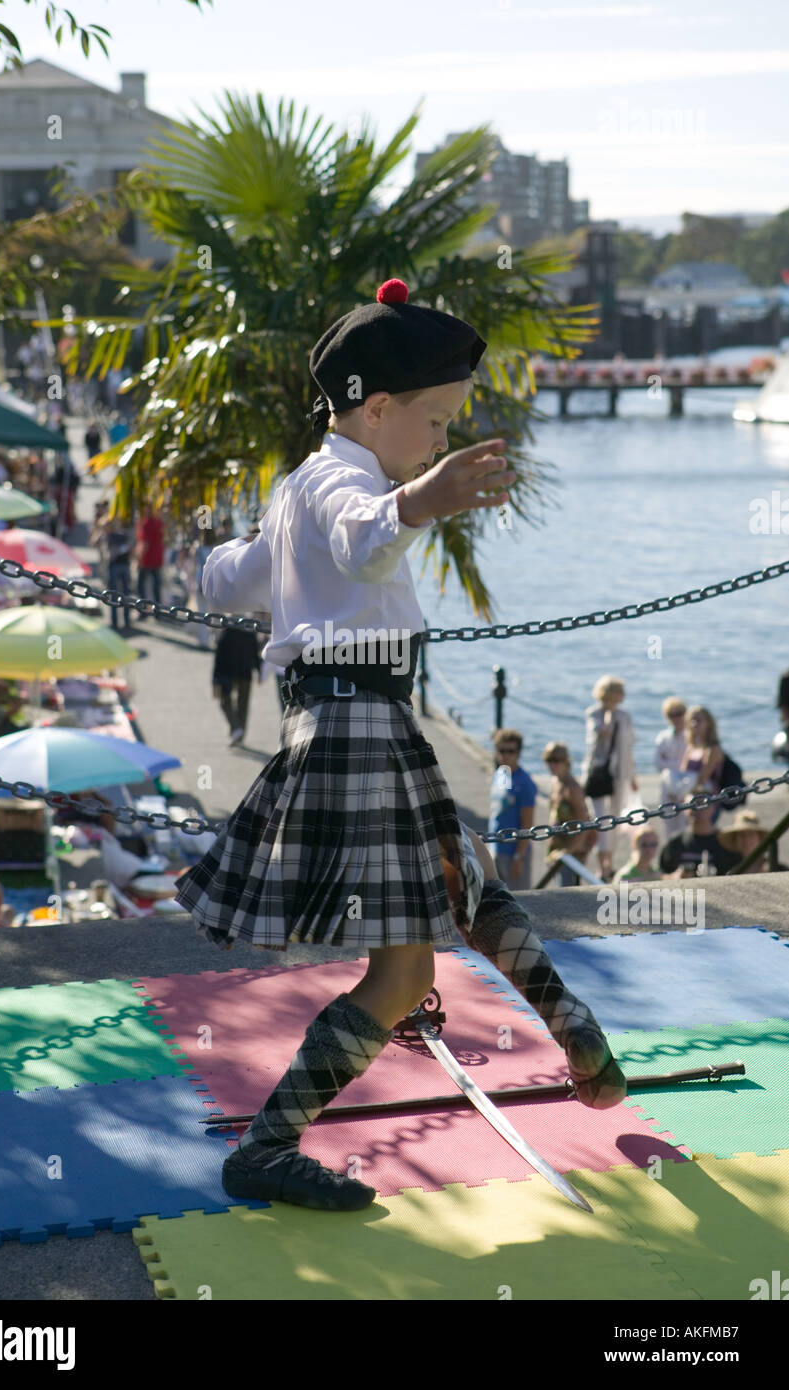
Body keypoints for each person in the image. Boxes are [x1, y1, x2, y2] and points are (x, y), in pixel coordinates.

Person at [174, 277, 625, 1213]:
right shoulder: (348, 485)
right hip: (355, 722)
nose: (441, 441)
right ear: (374, 408)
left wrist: (203, 562)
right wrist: (418, 501)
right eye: (434, 423)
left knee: (457, 881)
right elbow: (359, 542)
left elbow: (240, 577)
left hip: (354, 720)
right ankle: (268, 1146)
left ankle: (571, 1021)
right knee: (406, 967)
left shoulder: (304, 483)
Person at [582, 676, 637, 882]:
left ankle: (609, 862)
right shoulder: (594, 714)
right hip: (598, 774)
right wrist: (608, 716)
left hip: (620, 774)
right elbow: (599, 736)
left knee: (614, 818)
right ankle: (601, 865)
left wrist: (632, 774)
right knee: (600, 819)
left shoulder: (625, 717)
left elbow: (628, 746)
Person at [542, 741, 598, 885]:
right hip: (556, 848)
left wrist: (567, 852)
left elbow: (583, 824)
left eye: (556, 760)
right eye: (548, 760)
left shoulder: (573, 788)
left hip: (571, 852)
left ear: (566, 761)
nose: (551, 765)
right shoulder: (556, 782)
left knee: (567, 893)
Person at [488, 728, 537, 887]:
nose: (506, 755)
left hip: (513, 854)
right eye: (501, 750)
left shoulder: (524, 783)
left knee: (519, 901)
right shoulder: (500, 773)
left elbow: (527, 824)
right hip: (495, 849)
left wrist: (519, 857)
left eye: (511, 751)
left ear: (518, 752)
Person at [659, 803, 742, 878]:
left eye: (701, 805)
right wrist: (675, 876)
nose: (696, 810)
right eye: (691, 806)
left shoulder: (726, 841)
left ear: (713, 809)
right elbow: (661, 875)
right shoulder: (675, 842)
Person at [212, 622, 262, 745]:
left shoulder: (227, 632)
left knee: (225, 701)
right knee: (243, 704)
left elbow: (219, 656)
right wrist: (259, 671)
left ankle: (236, 728)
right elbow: (255, 654)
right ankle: (239, 733)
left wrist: (215, 676)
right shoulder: (250, 632)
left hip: (229, 673)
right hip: (245, 673)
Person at [678, 705, 724, 826]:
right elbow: (682, 772)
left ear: (708, 723)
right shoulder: (691, 747)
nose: (694, 724)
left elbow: (702, 778)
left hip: (708, 799)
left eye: (699, 720)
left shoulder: (713, 749)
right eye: (692, 720)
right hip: (690, 797)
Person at [654, 696, 688, 836]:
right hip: (667, 786)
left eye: (679, 713)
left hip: (685, 784)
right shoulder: (663, 737)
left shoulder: (690, 736)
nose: (676, 718)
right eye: (672, 715)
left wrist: (671, 765)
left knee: (685, 823)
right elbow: (658, 763)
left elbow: (690, 764)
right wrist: (676, 766)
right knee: (669, 825)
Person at [136, 506, 165, 616]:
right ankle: (157, 611)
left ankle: (143, 610)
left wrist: (139, 557)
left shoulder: (146, 523)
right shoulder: (159, 522)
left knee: (141, 586)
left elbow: (145, 543)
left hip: (147, 559)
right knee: (155, 587)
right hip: (157, 558)